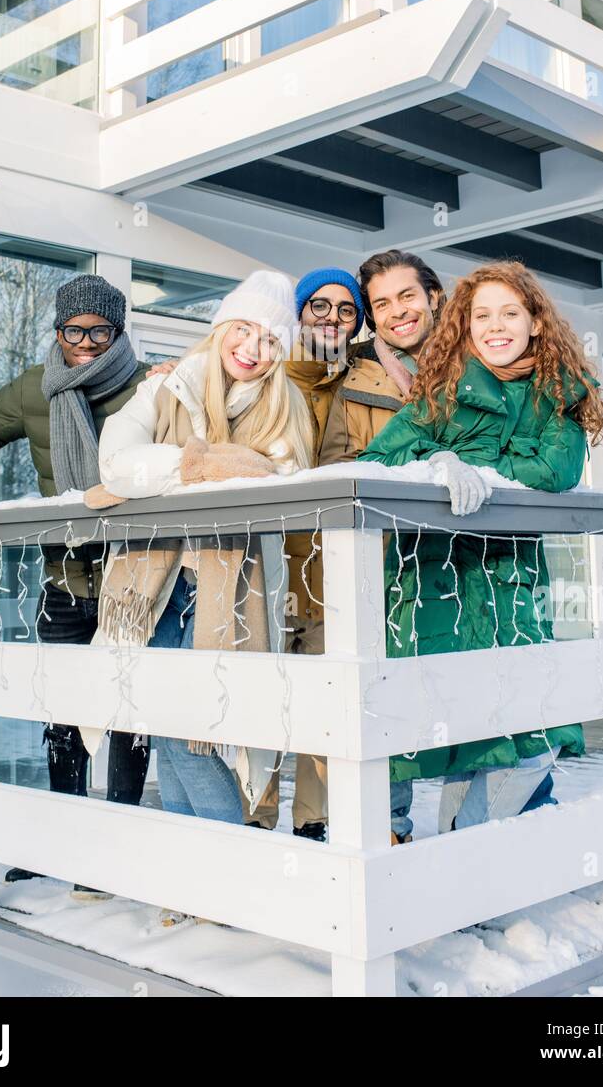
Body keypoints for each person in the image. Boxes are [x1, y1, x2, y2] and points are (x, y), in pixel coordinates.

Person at [360, 261, 603, 840]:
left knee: (531, 729)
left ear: (535, 322)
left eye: (509, 313)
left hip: (510, 577)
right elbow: (376, 460)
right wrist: (434, 465)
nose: (495, 326)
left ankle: (469, 850)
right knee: (457, 723)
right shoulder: (444, 391)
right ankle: (461, 863)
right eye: (482, 316)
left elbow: (556, 469)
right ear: (465, 326)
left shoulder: (559, 392)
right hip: (435, 580)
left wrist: (475, 466)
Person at [0, 274, 152, 893]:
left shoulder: (148, 386)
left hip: (136, 583)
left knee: (131, 711)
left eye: (98, 330)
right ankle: (64, 843)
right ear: (58, 332)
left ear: (118, 333)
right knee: (61, 712)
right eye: (73, 330)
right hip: (66, 579)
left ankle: (124, 841)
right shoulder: (36, 389)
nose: (85, 342)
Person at [86, 270, 314, 834]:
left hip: (230, 589)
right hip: (153, 582)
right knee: (163, 722)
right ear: (220, 328)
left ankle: (227, 868)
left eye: (269, 341)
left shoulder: (285, 410)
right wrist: (210, 465)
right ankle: (198, 872)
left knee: (198, 729)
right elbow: (115, 462)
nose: (252, 349)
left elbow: (274, 482)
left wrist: (165, 469)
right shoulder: (168, 386)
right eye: (243, 330)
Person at [252, 268, 367, 840]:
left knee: (322, 704)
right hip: (270, 569)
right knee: (266, 700)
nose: (331, 318)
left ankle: (313, 823)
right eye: (318, 306)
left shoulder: (360, 382)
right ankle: (254, 816)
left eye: (346, 311)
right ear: (299, 313)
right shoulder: (268, 373)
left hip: (332, 574)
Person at [320, 250, 445, 465]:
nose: (397, 312)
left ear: (432, 298)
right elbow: (339, 478)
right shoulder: (352, 387)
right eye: (382, 304)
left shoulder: (477, 363)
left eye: (407, 296)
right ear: (371, 315)